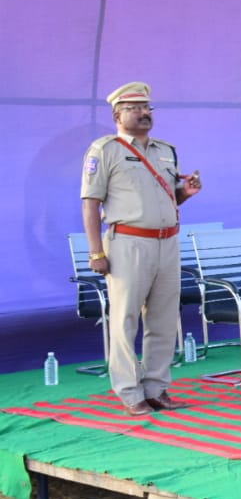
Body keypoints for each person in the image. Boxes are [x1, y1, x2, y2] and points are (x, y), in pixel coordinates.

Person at [81, 82, 202, 415]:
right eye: (135, 108)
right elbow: (91, 204)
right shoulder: (105, 150)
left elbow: (167, 199)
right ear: (117, 114)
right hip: (128, 244)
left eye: (148, 108)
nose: (145, 113)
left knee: (164, 319)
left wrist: (184, 194)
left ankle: (156, 387)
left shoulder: (166, 150)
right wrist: (96, 252)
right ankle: (129, 390)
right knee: (125, 319)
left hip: (167, 241)